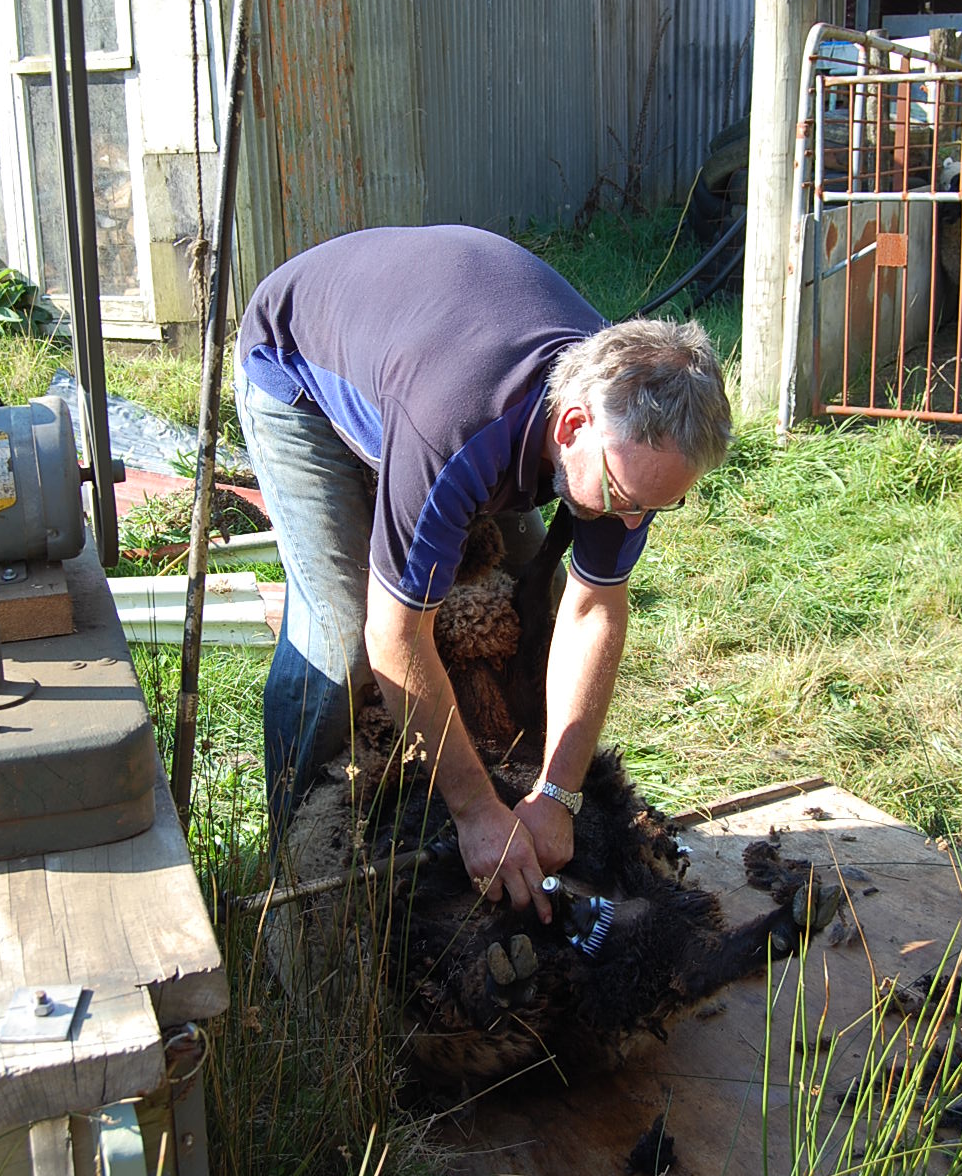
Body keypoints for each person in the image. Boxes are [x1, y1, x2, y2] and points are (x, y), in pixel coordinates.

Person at [234, 224, 731, 921]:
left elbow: (594, 611)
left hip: (424, 348)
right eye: (623, 500)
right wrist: (473, 811)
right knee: (345, 632)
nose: (631, 521)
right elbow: (395, 637)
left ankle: (512, 800)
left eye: (658, 504)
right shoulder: (463, 429)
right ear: (571, 428)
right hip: (298, 366)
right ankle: (299, 868)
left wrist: (558, 794)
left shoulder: (633, 450)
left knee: (539, 606)